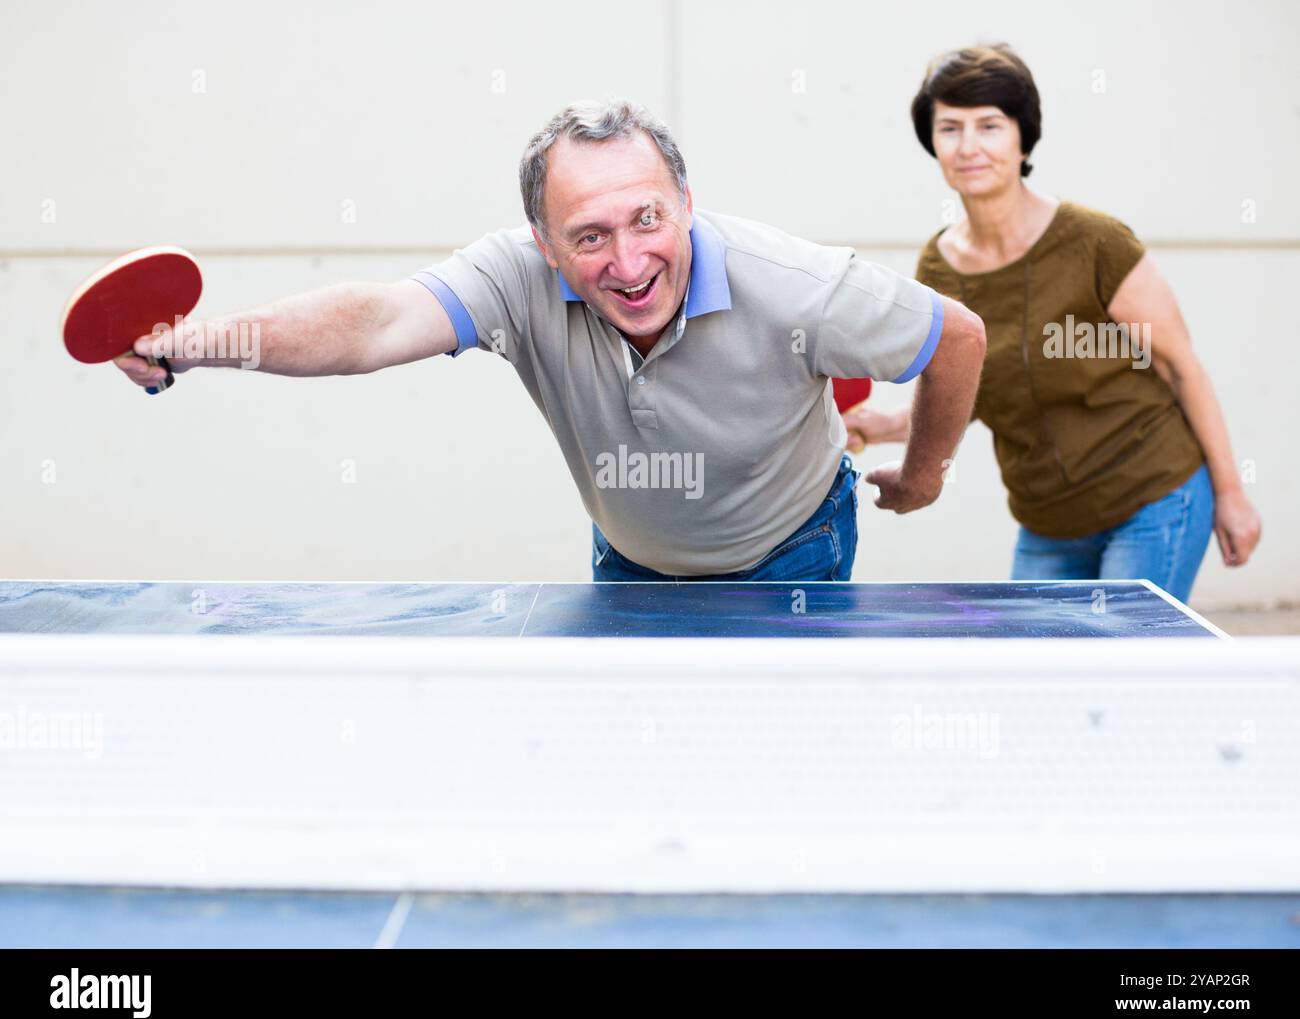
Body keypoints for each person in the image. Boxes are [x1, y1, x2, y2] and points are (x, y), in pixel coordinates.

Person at [119, 99, 986, 582]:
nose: (630, 259)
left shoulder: (796, 284)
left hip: (793, 550)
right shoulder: (514, 278)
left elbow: (959, 337)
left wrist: (923, 474)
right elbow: (375, 321)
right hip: (632, 557)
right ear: (543, 244)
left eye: (648, 218)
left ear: (686, 204)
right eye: (590, 235)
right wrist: (193, 344)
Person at [845, 45, 1260, 602]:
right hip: (1047, 522)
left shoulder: (1096, 241)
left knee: (1119, 680)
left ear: (1022, 137)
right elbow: (964, 395)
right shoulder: (937, 265)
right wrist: (880, 425)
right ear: (932, 142)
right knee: (1039, 678)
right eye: (950, 128)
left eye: (989, 125)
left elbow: (1182, 368)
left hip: (1154, 499)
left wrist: (1232, 494)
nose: (969, 147)